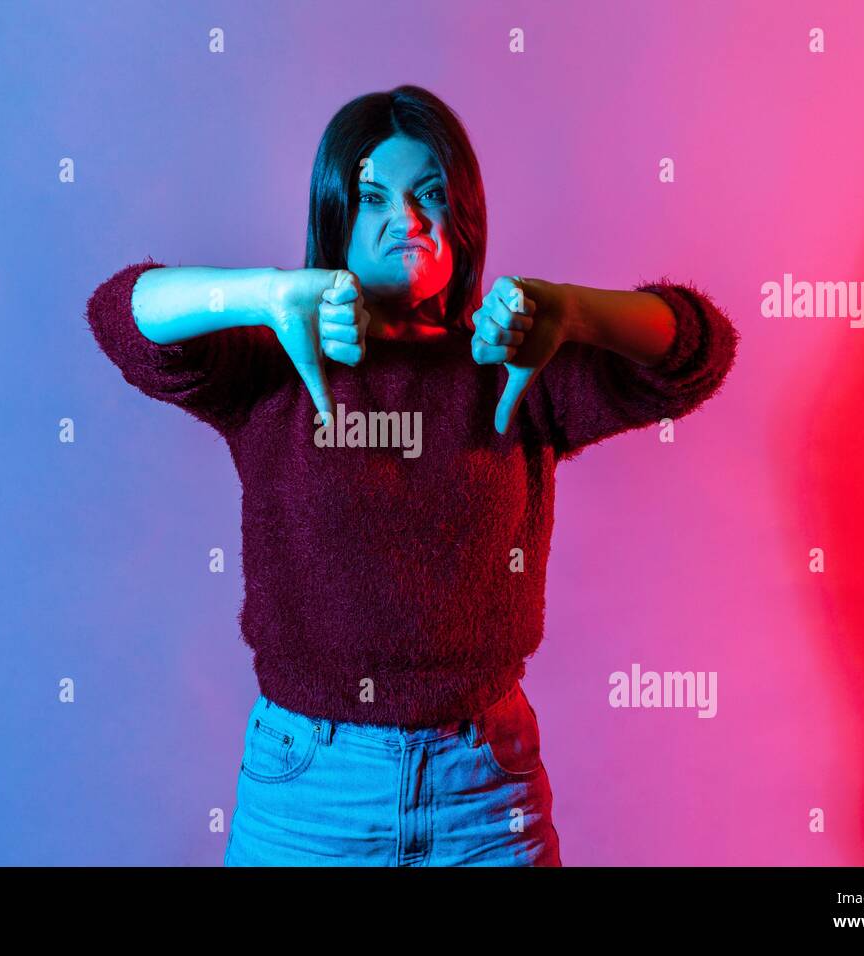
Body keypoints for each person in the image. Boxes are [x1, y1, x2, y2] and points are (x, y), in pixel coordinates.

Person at [85, 84, 739, 866]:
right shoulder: (277, 369)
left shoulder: (514, 372)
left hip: (484, 792)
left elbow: (697, 353)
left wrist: (574, 311)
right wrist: (266, 293)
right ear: (334, 216)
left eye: (432, 194)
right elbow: (121, 315)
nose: (411, 218)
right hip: (308, 791)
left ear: (463, 220)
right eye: (373, 197)